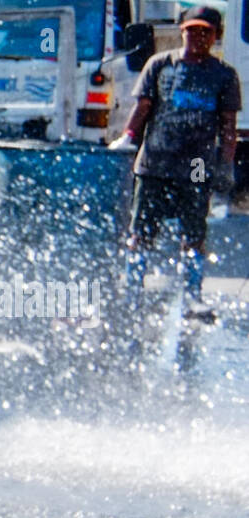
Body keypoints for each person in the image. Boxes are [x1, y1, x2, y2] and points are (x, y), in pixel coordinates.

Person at [110, 5, 241, 319]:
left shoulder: (223, 76)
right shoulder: (161, 65)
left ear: (216, 36)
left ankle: (193, 296)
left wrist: (224, 167)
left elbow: (227, 126)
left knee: (194, 233)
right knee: (140, 233)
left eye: (205, 32)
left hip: (196, 163)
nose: (198, 37)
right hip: (155, 161)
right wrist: (128, 136)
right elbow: (143, 107)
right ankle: (132, 294)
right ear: (182, 32)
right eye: (192, 30)